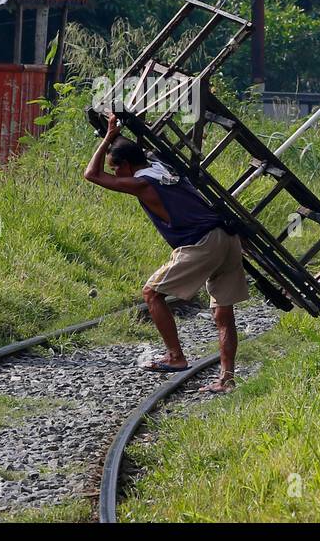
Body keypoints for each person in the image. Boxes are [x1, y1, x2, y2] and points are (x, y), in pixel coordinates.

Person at [83, 115, 246, 393]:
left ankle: (175, 357)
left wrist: (109, 136)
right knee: (223, 313)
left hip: (201, 242)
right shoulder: (163, 167)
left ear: (126, 166)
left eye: (117, 168)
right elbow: (144, 150)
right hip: (228, 237)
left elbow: (92, 175)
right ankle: (226, 379)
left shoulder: (142, 183)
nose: (116, 173)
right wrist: (116, 135)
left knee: (152, 293)